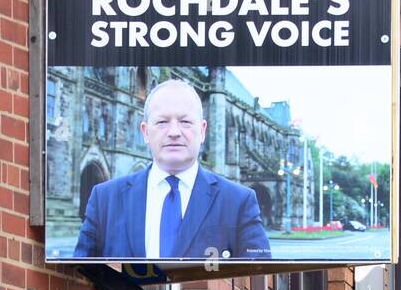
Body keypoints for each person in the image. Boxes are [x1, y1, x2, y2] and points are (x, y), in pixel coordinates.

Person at [73, 79, 272, 262]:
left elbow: (257, 275)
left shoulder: (239, 202)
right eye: (162, 122)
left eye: (185, 122)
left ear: (202, 131)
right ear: (145, 132)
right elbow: (79, 277)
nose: (174, 132)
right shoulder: (104, 199)